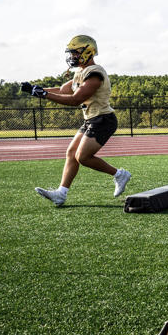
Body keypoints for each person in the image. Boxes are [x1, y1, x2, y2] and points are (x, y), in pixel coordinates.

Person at [28, 35, 131, 206]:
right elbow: (63, 90)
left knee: (82, 157)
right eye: (72, 53)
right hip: (92, 119)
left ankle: (120, 174)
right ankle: (61, 194)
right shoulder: (80, 72)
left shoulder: (95, 73)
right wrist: (35, 90)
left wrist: (44, 95)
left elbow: (75, 99)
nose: (72, 56)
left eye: (75, 52)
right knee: (71, 153)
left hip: (103, 119)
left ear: (88, 51)